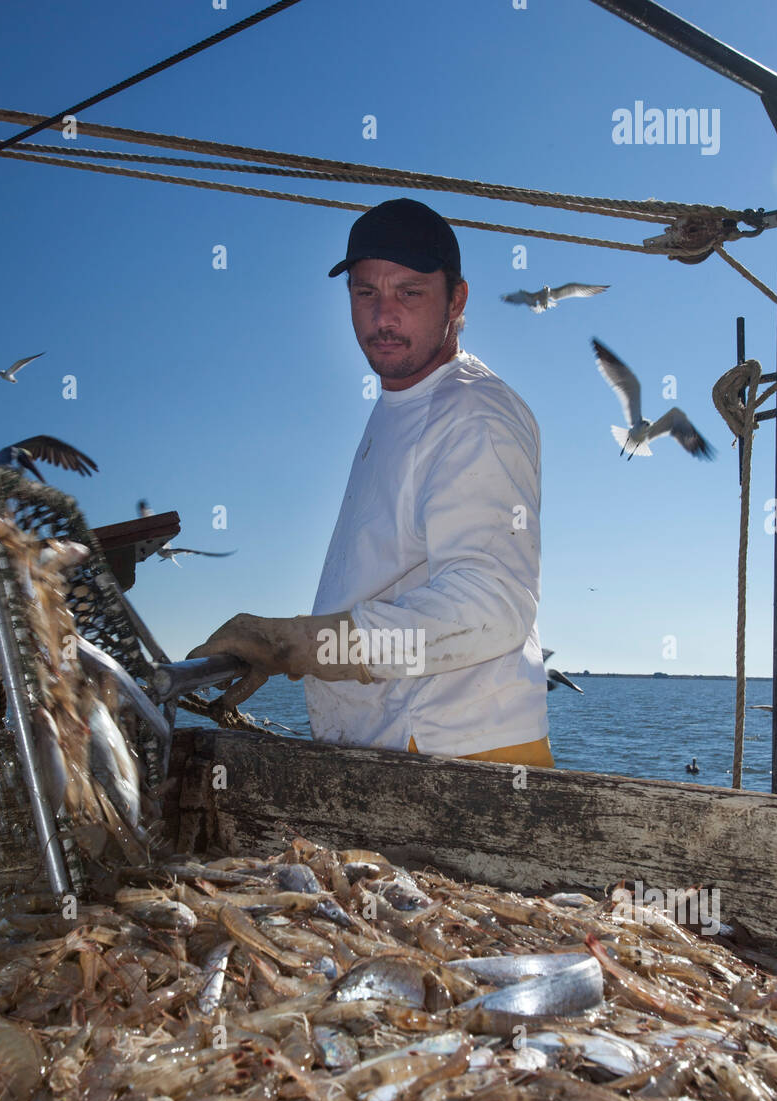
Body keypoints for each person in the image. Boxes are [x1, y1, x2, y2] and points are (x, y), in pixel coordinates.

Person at [188, 197, 552, 766]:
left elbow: (491, 607)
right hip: (397, 751)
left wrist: (298, 645)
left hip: (460, 757)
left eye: (409, 293)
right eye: (365, 294)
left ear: (456, 300)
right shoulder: (402, 401)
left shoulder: (474, 414)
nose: (383, 317)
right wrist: (292, 652)